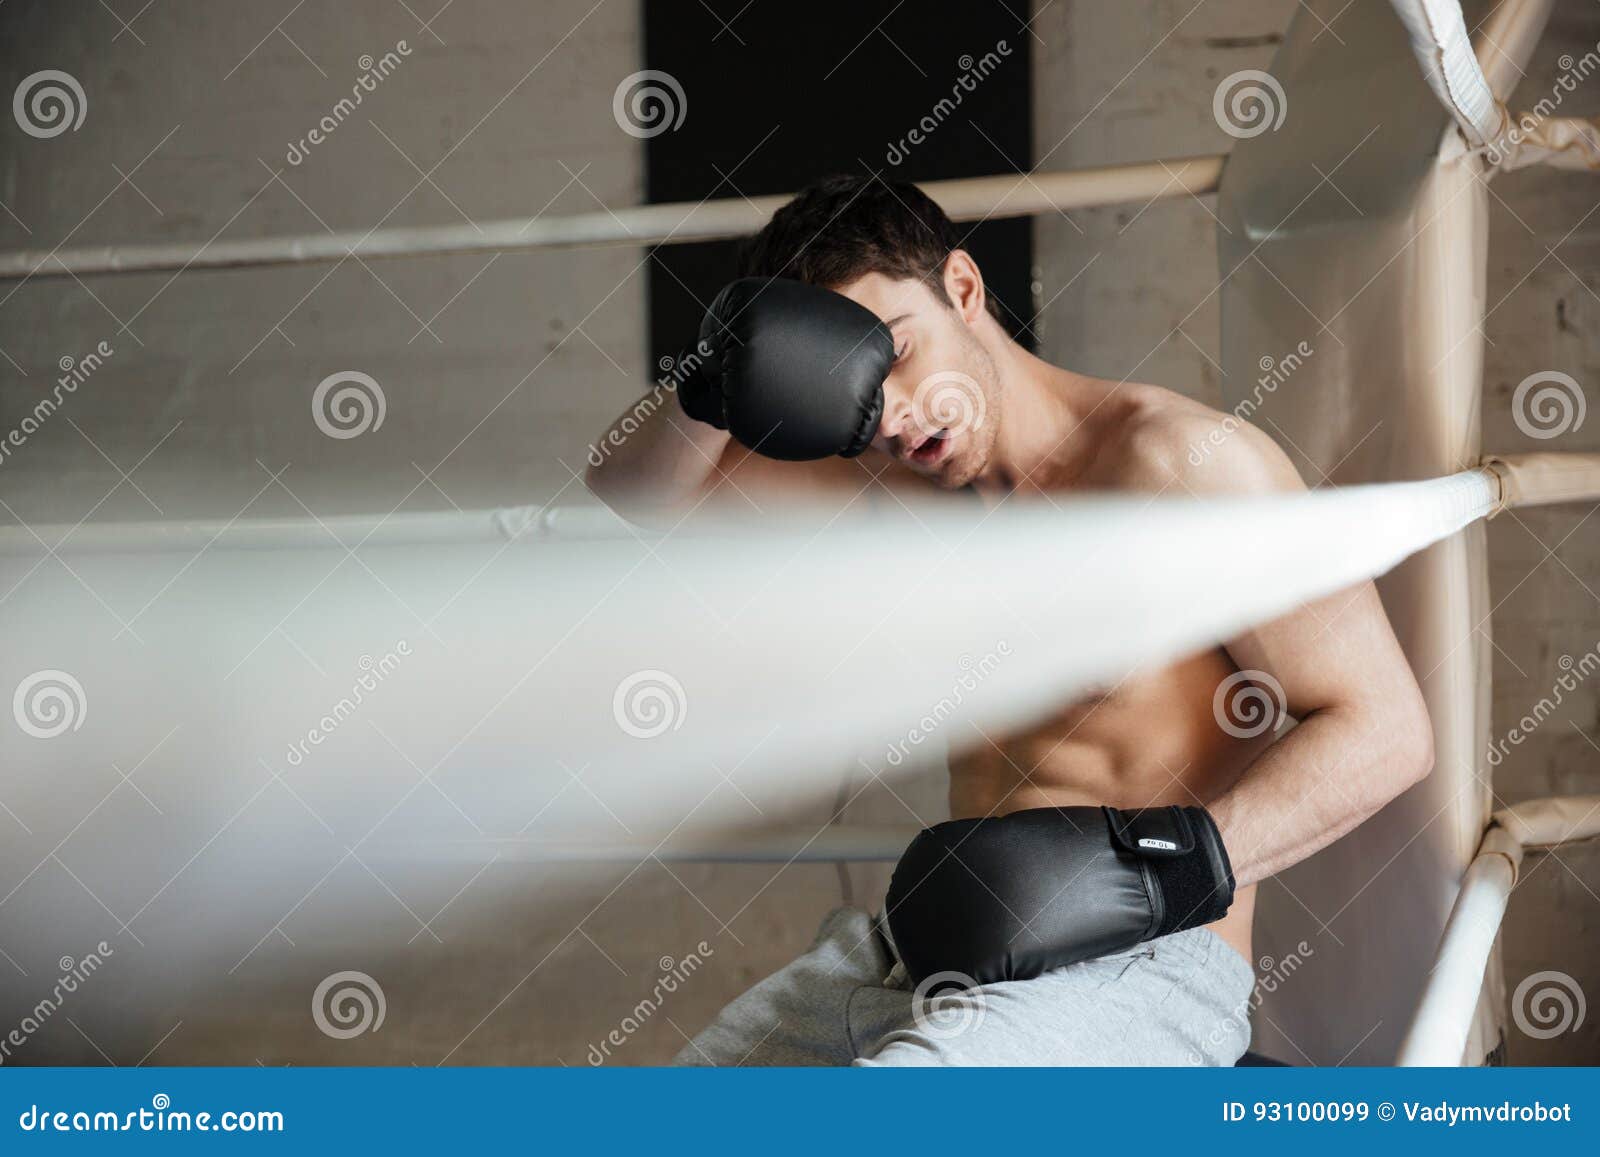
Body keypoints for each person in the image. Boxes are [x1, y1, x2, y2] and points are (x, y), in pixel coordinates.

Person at [584, 174, 1434, 1066]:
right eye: (854, 386)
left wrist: (1163, 870)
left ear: (962, 288)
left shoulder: (1182, 466)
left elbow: (1387, 730)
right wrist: (715, 382)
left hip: (1138, 961)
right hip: (922, 951)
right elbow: (636, 495)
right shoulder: (885, 486)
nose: (893, 412)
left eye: (898, 351)